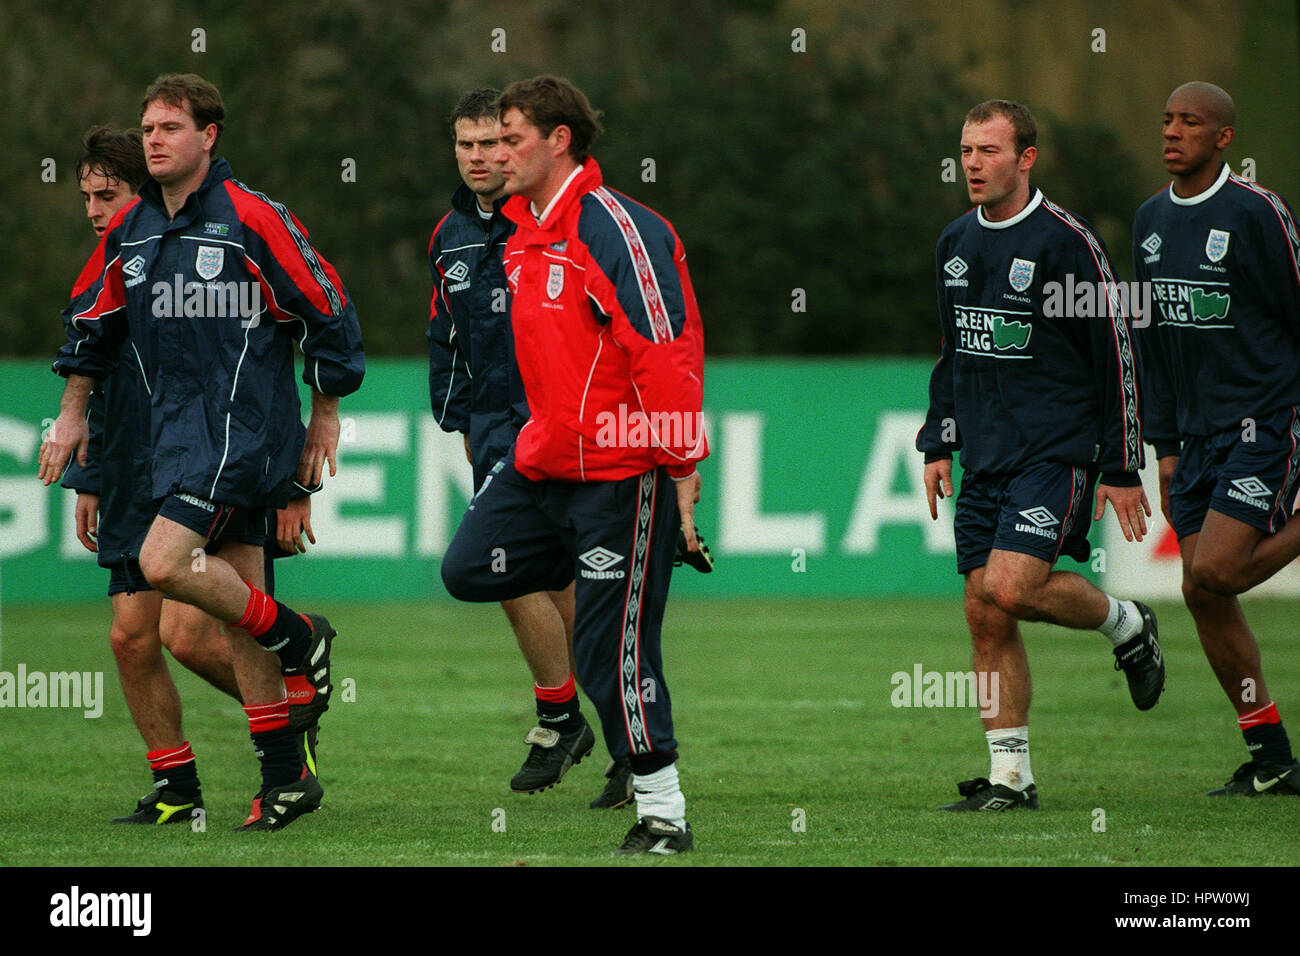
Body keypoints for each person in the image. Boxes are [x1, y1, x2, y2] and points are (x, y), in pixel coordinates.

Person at [40, 74, 364, 831]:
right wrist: (71, 414)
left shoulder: (253, 218)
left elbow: (328, 309)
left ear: (208, 136)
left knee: (162, 565)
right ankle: (285, 779)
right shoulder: (137, 231)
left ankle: (300, 634)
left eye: (170, 127)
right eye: (147, 128)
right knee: (237, 606)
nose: (154, 139)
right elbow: (92, 327)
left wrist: (326, 416)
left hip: (239, 437)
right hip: (174, 441)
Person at [440, 75, 707, 853]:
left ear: (560, 141)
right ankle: (602, 576)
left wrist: (681, 468)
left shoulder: (615, 226)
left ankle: (663, 812)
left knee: (611, 647)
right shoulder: (523, 232)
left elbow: (664, 351)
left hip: (623, 471)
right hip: (544, 465)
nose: (497, 149)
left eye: (513, 135)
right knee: (467, 569)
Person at [917, 99, 1164, 812]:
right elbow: (953, 348)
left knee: (1013, 587)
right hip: (985, 454)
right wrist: (940, 438)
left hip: (1055, 449)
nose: (972, 163)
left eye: (988, 151)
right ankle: (1010, 780)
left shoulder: (1066, 244)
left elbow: (1117, 351)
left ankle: (1128, 623)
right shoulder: (955, 242)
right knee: (983, 610)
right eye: (966, 150)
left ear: (1026, 158)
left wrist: (1121, 464)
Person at [428, 88, 641, 809]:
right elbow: (446, 334)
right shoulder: (449, 236)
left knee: (564, 583)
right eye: (466, 145)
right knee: (518, 573)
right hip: (493, 427)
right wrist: (460, 420)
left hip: (559, 424)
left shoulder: (552, 222)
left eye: (493, 143)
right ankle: (580, 723)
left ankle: (592, 726)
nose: (480, 157)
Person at [1134, 81, 1300, 796]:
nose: (1173, 131)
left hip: (1266, 421)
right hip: (1194, 439)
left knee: (1219, 573)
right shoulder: (1148, 222)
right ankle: (1271, 757)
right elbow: (1153, 346)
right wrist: (1164, 451)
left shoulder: (1257, 214)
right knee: (1200, 591)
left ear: (1223, 138)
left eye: (1190, 122)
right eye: (1167, 118)